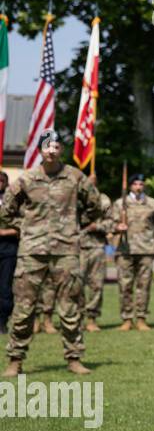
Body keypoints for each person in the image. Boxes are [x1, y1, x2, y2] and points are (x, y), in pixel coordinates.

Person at [1, 131, 103, 376]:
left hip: (66, 250)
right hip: (32, 252)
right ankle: (15, 360)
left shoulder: (75, 177)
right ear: (40, 150)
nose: (52, 150)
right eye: (47, 146)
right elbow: (6, 210)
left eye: (56, 146)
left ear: (61, 150)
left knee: (69, 307)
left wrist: (77, 224)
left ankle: (74, 358)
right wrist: (24, 227)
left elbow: (96, 204)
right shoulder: (26, 179)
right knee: (24, 308)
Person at [110, 172, 154, 331]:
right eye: (135, 184)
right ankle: (127, 319)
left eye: (141, 184)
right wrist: (116, 229)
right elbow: (109, 224)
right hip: (125, 250)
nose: (138, 187)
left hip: (145, 250)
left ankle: (141, 317)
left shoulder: (153, 204)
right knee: (125, 285)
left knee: (144, 285)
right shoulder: (120, 204)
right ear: (130, 186)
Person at [80, 187, 113, 331]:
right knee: (75, 285)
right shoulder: (72, 196)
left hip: (97, 246)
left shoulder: (103, 199)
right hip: (76, 246)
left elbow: (111, 222)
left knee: (96, 284)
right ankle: (76, 318)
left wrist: (97, 226)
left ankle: (91, 319)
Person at [0, 171, 17, 334]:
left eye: (2, 180)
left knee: (5, 288)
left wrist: (5, 233)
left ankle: (2, 321)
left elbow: (24, 225)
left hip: (8, 250)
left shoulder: (14, 201)